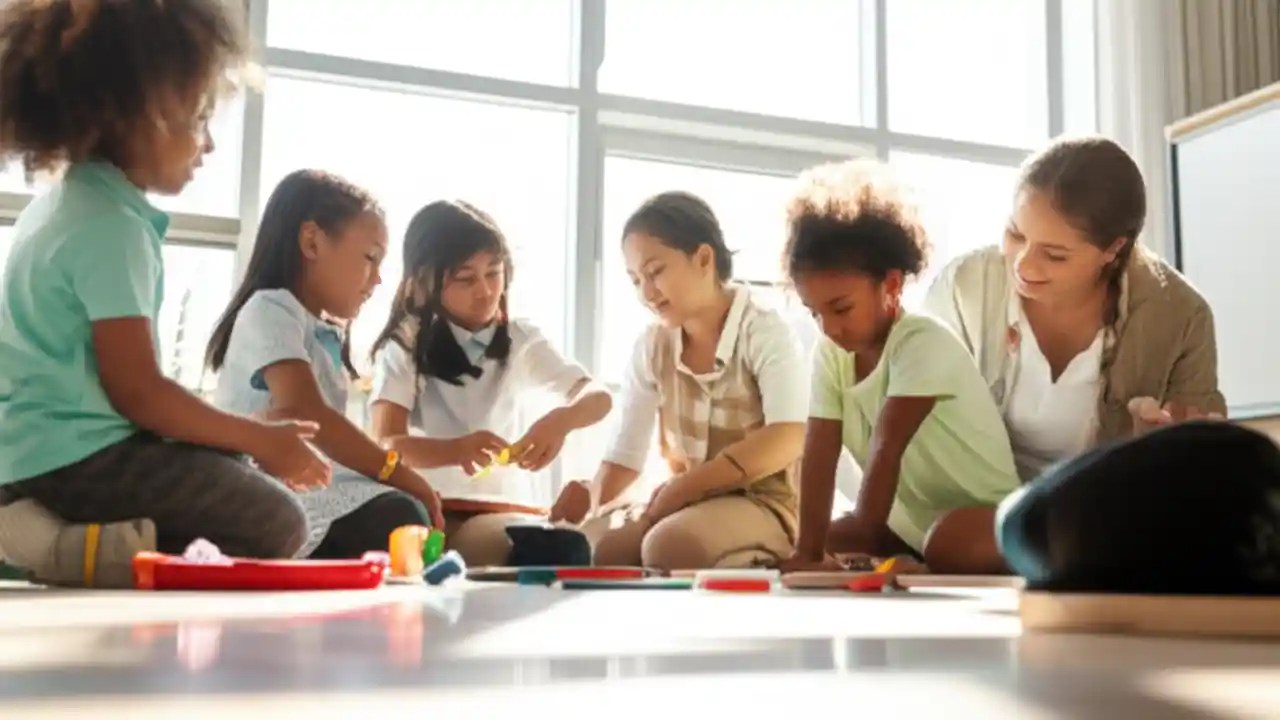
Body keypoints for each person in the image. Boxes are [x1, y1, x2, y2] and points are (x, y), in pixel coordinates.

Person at [0, 0, 326, 586]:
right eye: (198, 120)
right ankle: (47, 545)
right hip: (75, 463)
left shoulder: (65, 206)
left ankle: (56, 536)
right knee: (280, 523)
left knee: (233, 464)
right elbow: (140, 395)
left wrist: (243, 445)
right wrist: (256, 436)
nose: (209, 145)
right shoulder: (111, 227)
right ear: (137, 113)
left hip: (31, 457)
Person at [923, 136, 1226, 567]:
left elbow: (1202, 467)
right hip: (980, 508)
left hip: (1099, 514)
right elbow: (917, 424)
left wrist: (1159, 450)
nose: (1024, 265)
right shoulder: (966, 287)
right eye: (1015, 233)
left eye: (1055, 255)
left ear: (1113, 249)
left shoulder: (1181, 316)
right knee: (953, 537)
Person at [779, 160, 1020, 574]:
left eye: (841, 308)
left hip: (990, 522)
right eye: (814, 313)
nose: (828, 327)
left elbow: (886, 447)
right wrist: (808, 550)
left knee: (946, 541)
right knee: (811, 536)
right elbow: (819, 452)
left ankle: (926, 562)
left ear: (890, 285)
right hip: (915, 529)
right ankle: (915, 559)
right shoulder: (830, 354)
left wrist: (857, 533)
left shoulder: (921, 342)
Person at [560, 191, 807, 571]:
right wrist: (589, 503)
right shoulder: (653, 345)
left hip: (762, 503)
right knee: (601, 549)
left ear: (704, 259)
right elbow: (626, 454)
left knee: (670, 546)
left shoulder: (764, 331)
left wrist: (687, 488)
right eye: (635, 279)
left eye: (655, 271)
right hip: (683, 502)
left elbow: (788, 435)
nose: (646, 292)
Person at [206, 170, 445, 558]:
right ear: (312, 242)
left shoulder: (323, 330)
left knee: (405, 511)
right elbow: (305, 411)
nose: (379, 279)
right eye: (370, 258)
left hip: (311, 483)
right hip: (264, 484)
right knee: (400, 511)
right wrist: (401, 473)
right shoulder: (270, 308)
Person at [368, 200, 611, 566]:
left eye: (494, 273)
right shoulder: (406, 343)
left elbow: (599, 397)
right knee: (532, 553)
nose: (484, 291)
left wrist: (560, 421)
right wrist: (456, 450)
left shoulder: (520, 338)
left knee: (553, 549)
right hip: (430, 510)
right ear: (422, 281)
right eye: (465, 279)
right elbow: (386, 445)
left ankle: (544, 536)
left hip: (503, 513)